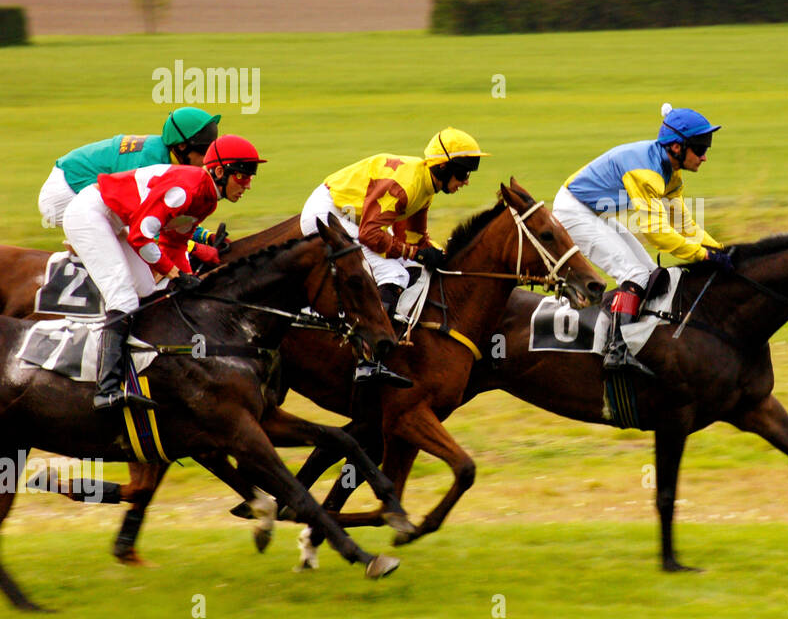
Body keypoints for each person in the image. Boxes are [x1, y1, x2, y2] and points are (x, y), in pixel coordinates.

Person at [62, 134, 264, 412]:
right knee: (123, 298)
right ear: (220, 171)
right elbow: (142, 237)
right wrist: (175, 275)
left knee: (150, 292)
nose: (248, 185)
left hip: (117, 220)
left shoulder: (207, 199)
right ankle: (105, 389)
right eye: (242, 176)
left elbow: (174, 243)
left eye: (251, 177)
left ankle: (136, 370)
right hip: (91, 215)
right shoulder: (187, 190)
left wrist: (189, 278)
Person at [299, 127, 489, 386]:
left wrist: (440, 256)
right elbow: (370, 235)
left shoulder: (425, 186)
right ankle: (368, 358)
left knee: (409, 264)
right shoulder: (406, 186)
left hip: (355, 216)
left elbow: (413, 238)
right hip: (327, 213)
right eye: (464, 172)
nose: (466, 181)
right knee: (394, 273)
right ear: (443, 168)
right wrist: (416, 253)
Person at [554, 103, 728, 375]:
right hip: (573, 210)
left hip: (594, 210)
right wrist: (702, 255)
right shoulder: (646, 173)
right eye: (701, 148)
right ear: (677, 147)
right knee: (635, 275)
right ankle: (616, 351)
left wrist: (719, 250)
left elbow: (682, 224)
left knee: (650, 274)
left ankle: (638, 341)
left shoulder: (671, 172)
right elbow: (658, 234)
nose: (705, 157)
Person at [38, 107, 222, 231]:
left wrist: (200, 236)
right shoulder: (152, 162)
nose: (207, 160)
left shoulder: (166, 153)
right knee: (125, 238)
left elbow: (170, 217)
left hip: (76, 180)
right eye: (205, 151)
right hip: (64, 191)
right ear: (182, 147)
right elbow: (147, 224)